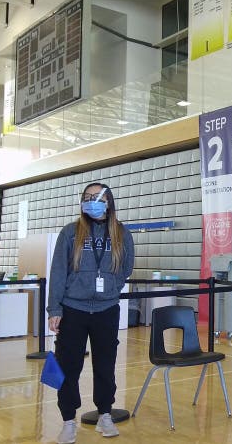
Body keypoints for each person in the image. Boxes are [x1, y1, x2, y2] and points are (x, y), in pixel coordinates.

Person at [47, 183, 134, 443]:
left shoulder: (121, 233)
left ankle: (105, 414)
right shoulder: (70, 233)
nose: (91, 202)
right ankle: (68, 420)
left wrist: (111, 287)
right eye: (87, 198)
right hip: (73, 310)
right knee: (68, 367)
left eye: (96, 197)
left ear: (108, 202)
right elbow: (58, 272)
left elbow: (126, 267)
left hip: (107, 310)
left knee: (105, 366)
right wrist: (55, 309)